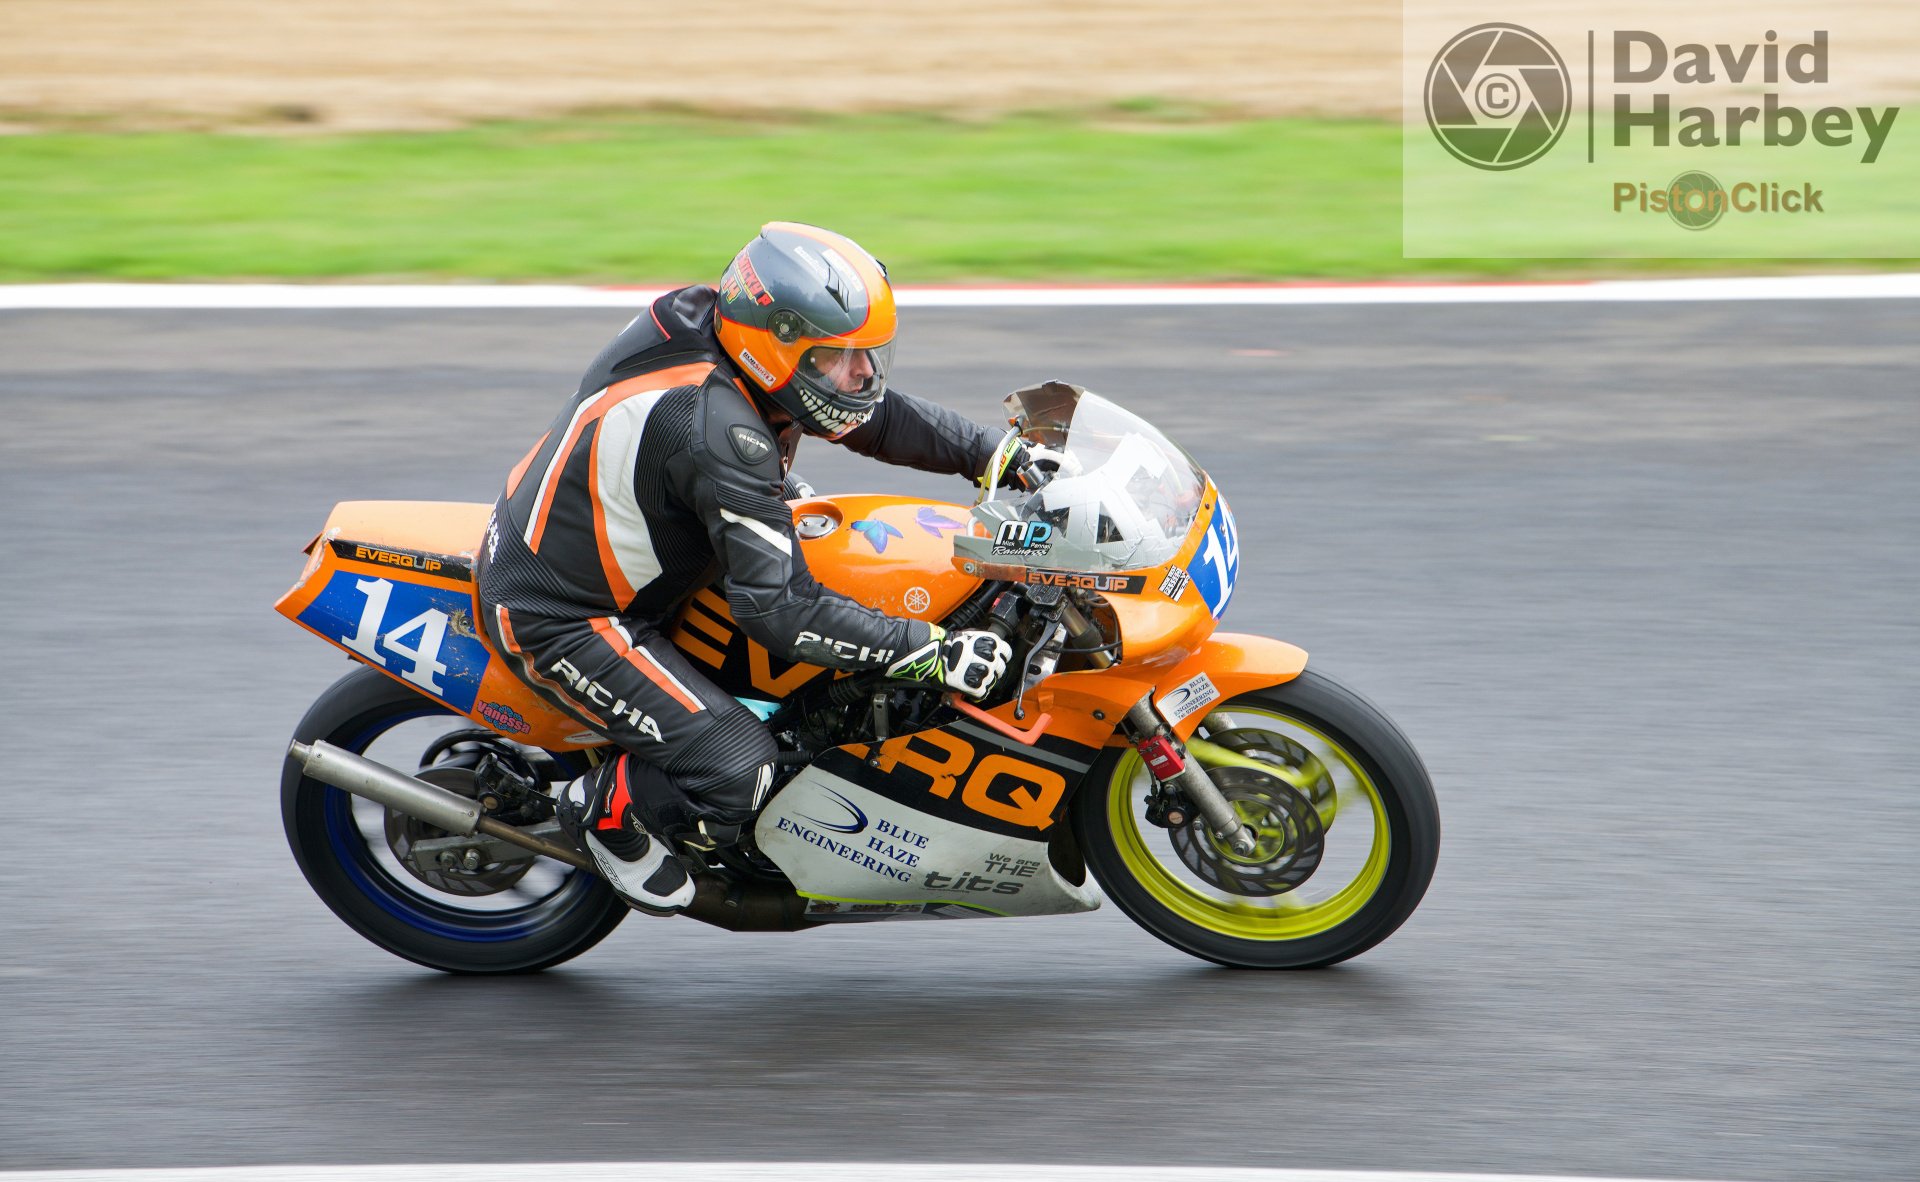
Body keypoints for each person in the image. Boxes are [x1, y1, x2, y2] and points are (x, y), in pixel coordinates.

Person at [475, 222, 1014, 915]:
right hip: (567, 614)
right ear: (774, 344)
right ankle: (609, 810)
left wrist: (990, 454)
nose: (862, 375)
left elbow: (868, 417)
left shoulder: (719, 323)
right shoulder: (720, 432)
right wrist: (931, 651)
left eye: (868, 354)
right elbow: (779, 610)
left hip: (644, 545)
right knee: (741, 763)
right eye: (838, 358)